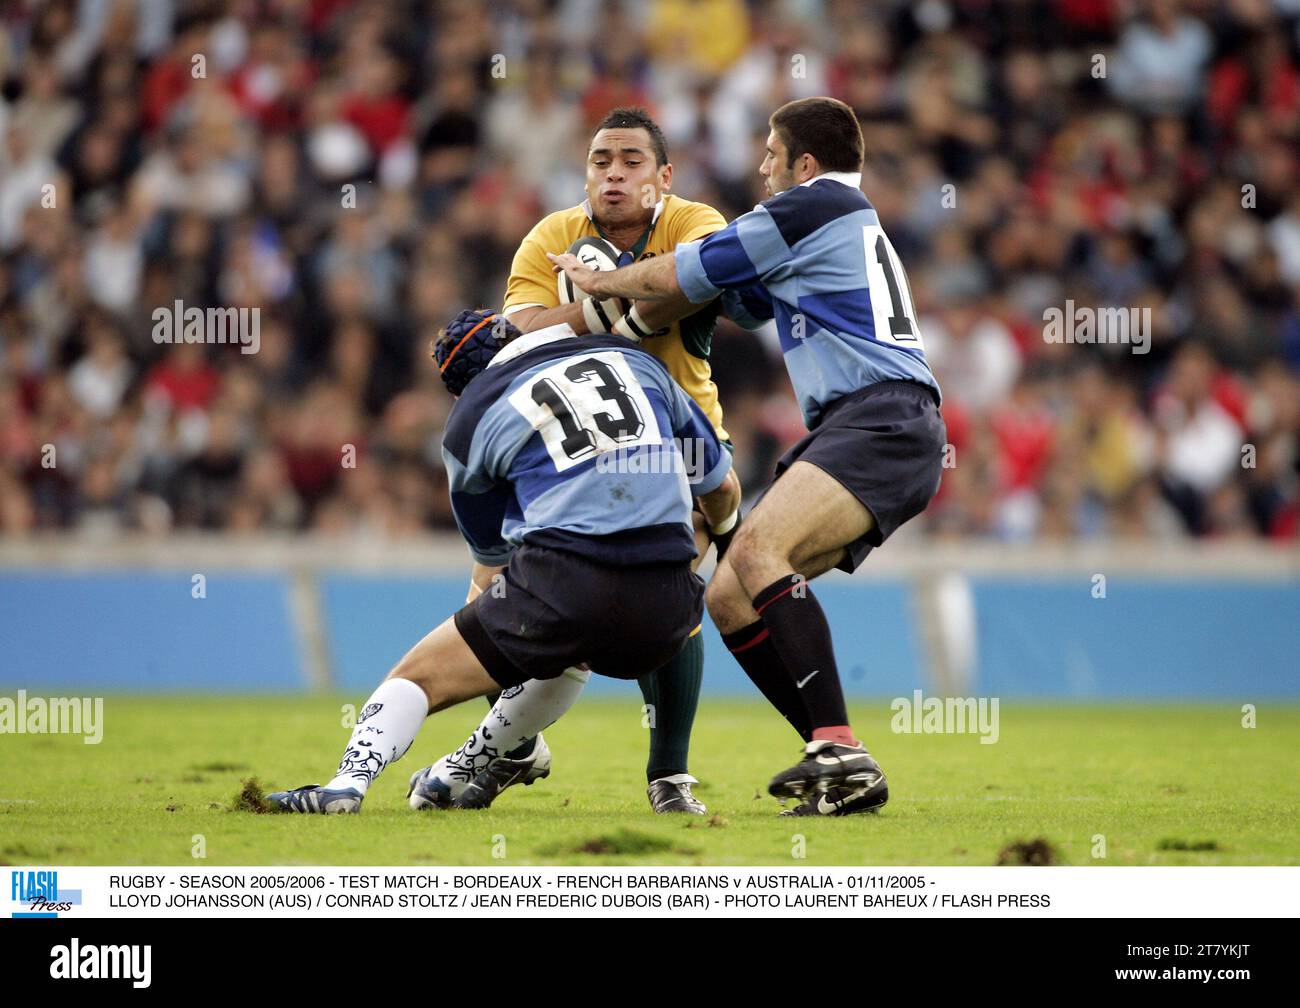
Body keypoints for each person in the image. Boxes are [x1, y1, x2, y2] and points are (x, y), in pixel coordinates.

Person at [550, 97, 947, 816]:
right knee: (731, 594)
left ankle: (837, 744)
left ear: (804, 164)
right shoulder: (824, 226)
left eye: (770, 154)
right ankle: (841, 762)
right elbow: (741, 303)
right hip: (866, 425)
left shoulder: (811, 205)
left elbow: (680, 272)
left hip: (882, 417)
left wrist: (601, 281)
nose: (760, 167)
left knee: (761, 552)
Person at [265, 309, 739, 814]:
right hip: (669, 605)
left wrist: (490, 638)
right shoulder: (638, 364)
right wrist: (719, 545)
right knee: (568, 648)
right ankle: (461, 769)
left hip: (565, 581)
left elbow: (493, 566)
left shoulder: (473, 414)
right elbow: (721, 489)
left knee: (418, 678)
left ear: (459, 390)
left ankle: (347, 785)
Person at [412, 107, 739, 815]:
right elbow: (518, 332)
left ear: (663, 176)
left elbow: (695, 281)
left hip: (680, 442)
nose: (613, 174)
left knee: (675, 576)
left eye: (629, 161)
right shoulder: (551, 235)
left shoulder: (693, 220)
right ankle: (517, 747)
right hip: (568, 450)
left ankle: (669, 776)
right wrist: (614, 309)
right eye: (600, 161)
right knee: (494, 600)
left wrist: (605, 286)